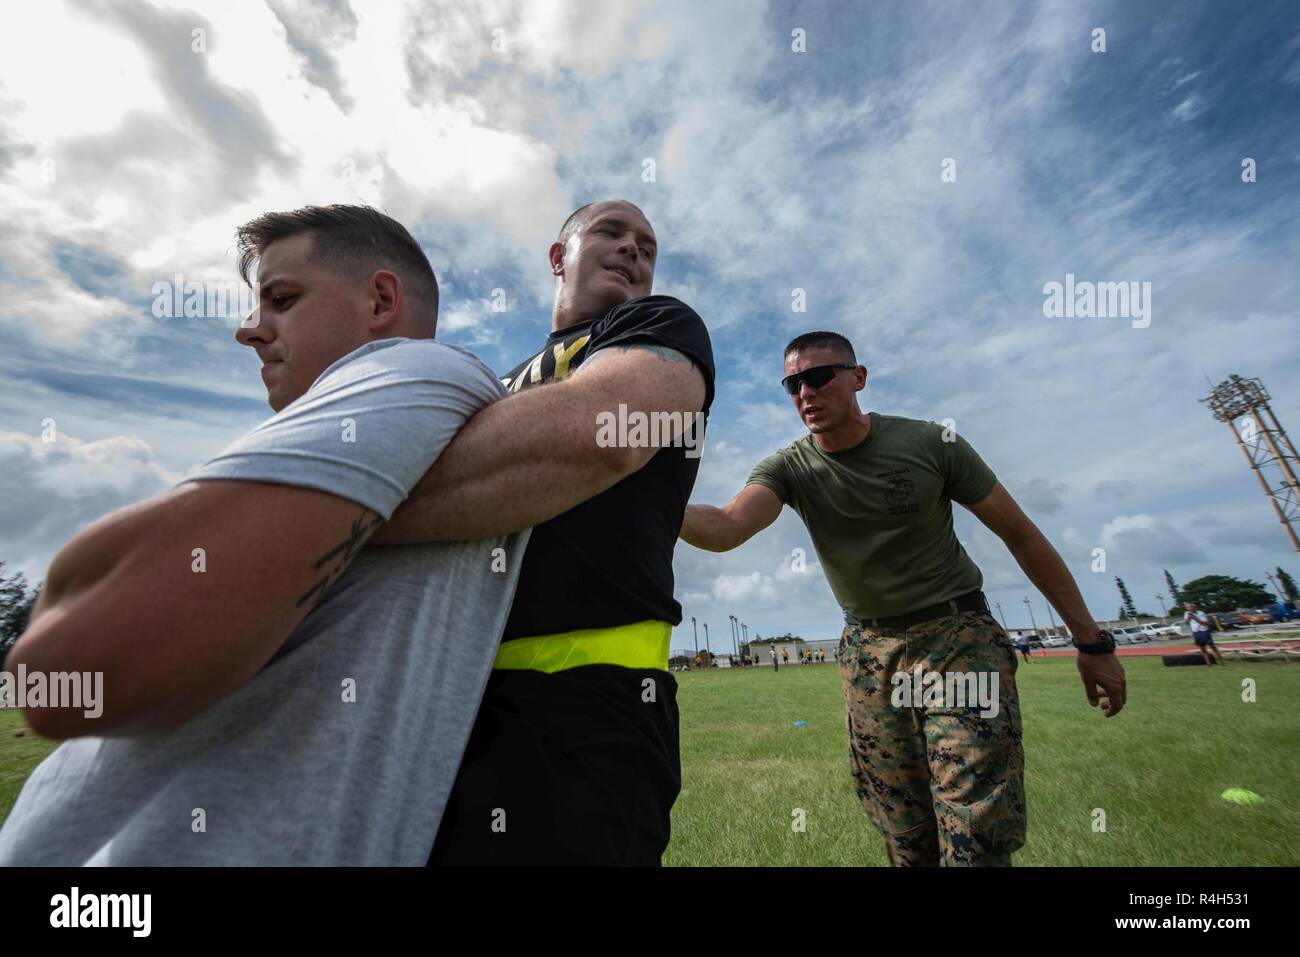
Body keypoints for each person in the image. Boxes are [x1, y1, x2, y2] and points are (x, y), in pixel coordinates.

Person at [0, 205, 526, 865]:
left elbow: (64, 667)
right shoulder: (412, 422)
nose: (250, 330)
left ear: (382, 300)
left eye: (282, 299)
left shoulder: (410, 372)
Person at [680, 331, 1126, 867]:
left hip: (958, 641)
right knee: (904, 828)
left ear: (858, 377)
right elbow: (728, 526)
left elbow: (1022, 534)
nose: (806, 393)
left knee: (973, 828)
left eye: (819, 377)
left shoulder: (931, 444)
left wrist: (1091, 640)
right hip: (871, 653)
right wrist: (654, 502)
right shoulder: (789, 468)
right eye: (793, 383)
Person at [371, 199, 714, 865]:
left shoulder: (660, 322)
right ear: (559, 257)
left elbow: (604, 431)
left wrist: (347, 511)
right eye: (610, 232)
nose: (633, 249)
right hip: (451, 697)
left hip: (588, 702)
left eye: (646, 244)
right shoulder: (495, 384)